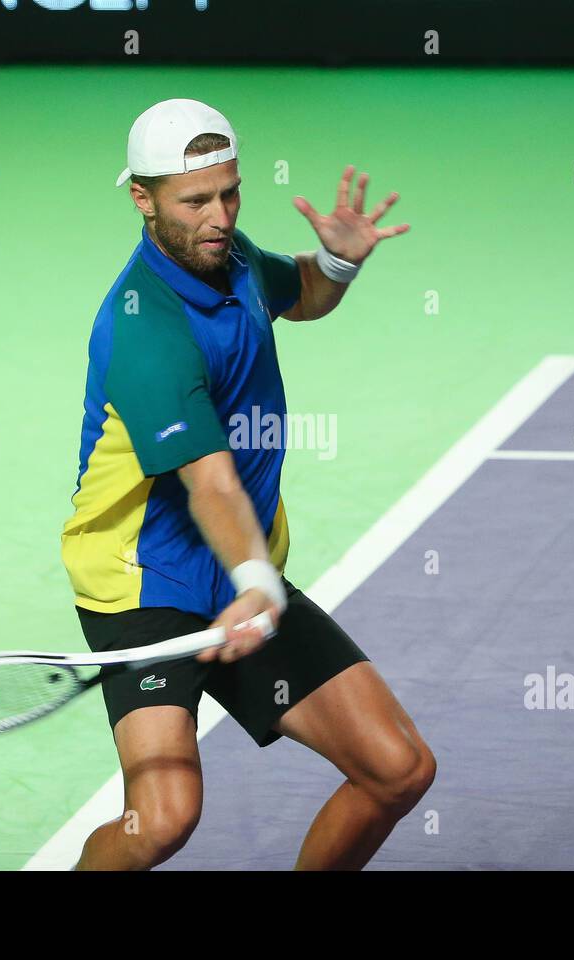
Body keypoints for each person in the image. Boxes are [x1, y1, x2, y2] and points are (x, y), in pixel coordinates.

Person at [61, 98, 434, 870]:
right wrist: (258, 579)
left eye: (230, 192)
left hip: (241, 580)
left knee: (397, 771)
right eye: (195, 200)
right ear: (143, 198)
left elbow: (300, 293)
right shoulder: (143, 328)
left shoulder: (228, 258)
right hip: (146, 587)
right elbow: (212, 485)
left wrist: (336, 262)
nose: (220, 215)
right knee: (162, 820)